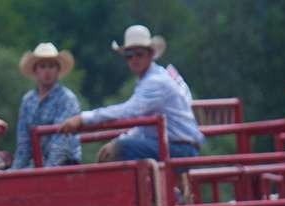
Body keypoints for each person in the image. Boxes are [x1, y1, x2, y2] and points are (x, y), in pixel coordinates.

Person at [57, 25, 203, 162]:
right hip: (178, 146)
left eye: (139, 54)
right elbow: (143, 124)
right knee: (123, 146)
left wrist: (84, 118)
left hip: (180, 148)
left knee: (123, 149)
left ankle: (140, 189)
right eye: (129, 55)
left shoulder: (155, 82)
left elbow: (130, 110)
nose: (134, 59)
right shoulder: (153, 78)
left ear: (150, 55)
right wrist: (119, 140)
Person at [11, 42, 81, 169]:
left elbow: (61, 143)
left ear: (58, 70)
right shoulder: (28, 100)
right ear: (35, 71)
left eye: (51, 66)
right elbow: (23, 143)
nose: (47, 71)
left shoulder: (67, 99)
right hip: (37, 164)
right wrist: (16, 171)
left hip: (65, 165)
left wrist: (46, 171)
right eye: (42, 67)